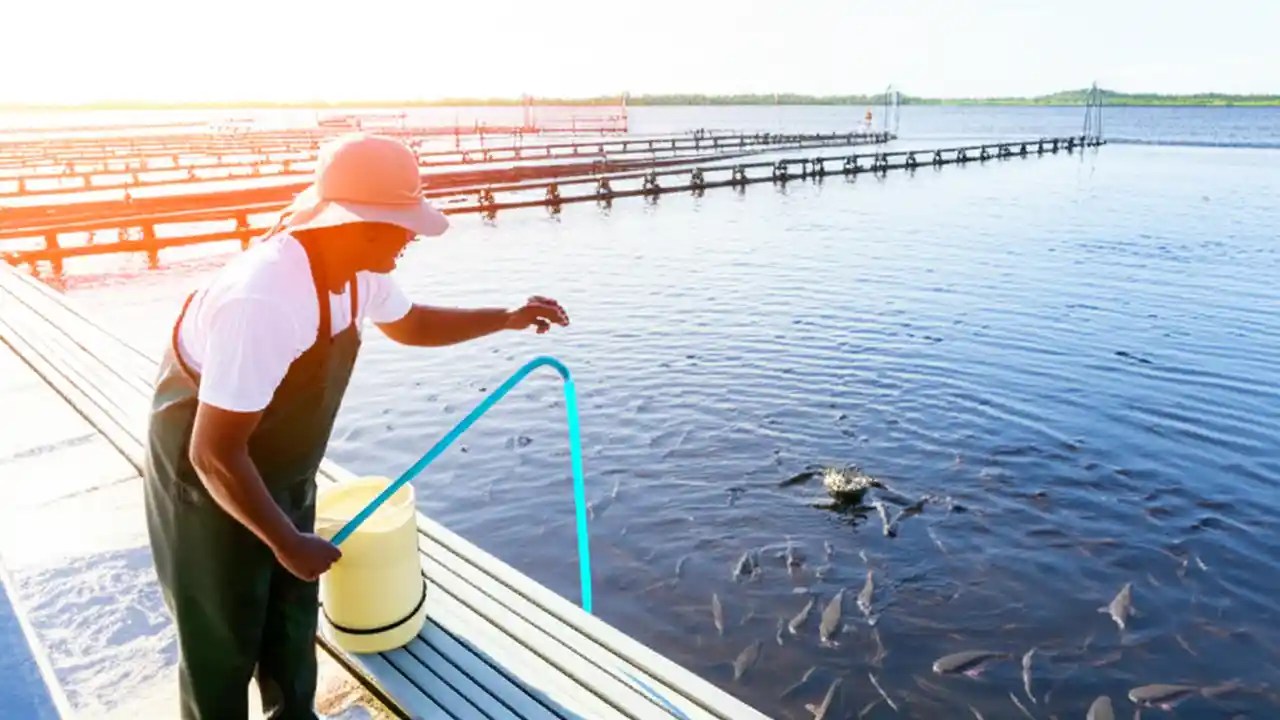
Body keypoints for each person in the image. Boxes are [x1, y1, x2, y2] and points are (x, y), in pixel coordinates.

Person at [142, 132, 569, 720]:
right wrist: (287, 541)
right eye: (403, 223)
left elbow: (413, 324)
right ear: (355, 221)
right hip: (205, 478)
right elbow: (214, 453)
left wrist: (508, 318)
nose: (413, 236)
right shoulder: (265, 298)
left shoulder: (358, 266)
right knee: (222, 635)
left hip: (282, 466)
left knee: (290, 616)